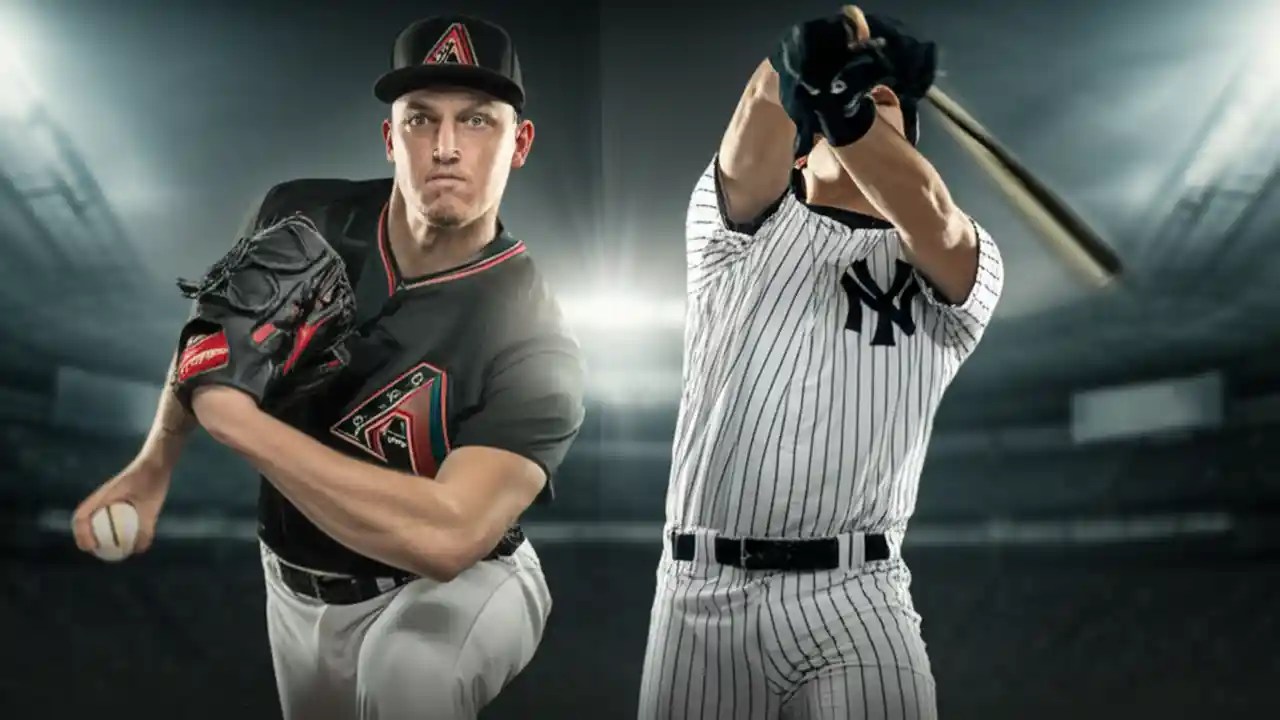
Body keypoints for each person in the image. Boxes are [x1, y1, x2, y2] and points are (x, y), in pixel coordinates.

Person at [71, 14, 586, 720]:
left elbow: (448, 538)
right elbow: (211, 341)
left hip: (456, 588)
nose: (444, 147)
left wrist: (234, 420)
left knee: (407, 674)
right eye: (418, 120)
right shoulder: (300, 215)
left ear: (518, 143)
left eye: (476, 122)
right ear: (388, 137)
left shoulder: (537, 338)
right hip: (292, 585)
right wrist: (155, 463)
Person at [638, 7, 1003, 719]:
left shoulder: (956, 259)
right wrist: (802, 60)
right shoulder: (730, 233)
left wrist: (843, 105)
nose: (868, 110)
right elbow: (754, 125)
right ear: (803, 152)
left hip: (857, 594)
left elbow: (928, 208)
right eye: (852, 104)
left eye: (887, 105)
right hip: (699, 591)